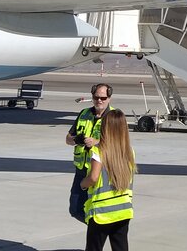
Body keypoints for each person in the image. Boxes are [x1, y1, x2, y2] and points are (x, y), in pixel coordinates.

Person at [80, 109, 136, 251]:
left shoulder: (98, 151)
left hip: (102, 211)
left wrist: (83, 184)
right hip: (123, 209)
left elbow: (93, 177)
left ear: (105, 128)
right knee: (121, 247)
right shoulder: (129, 151)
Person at [67, 83, 116, 222]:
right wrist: (76, 139)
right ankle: (97, 231)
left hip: (102, 173)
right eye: (96, 97)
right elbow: (68, 139)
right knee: (76, 209)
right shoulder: (84, 114)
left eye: (103, 98)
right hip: (82, 171)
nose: (99, 100)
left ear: (109, 98)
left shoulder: (114, 117)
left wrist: (96, 142)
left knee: (99, 210)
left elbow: (119, 144)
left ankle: (99, 232)